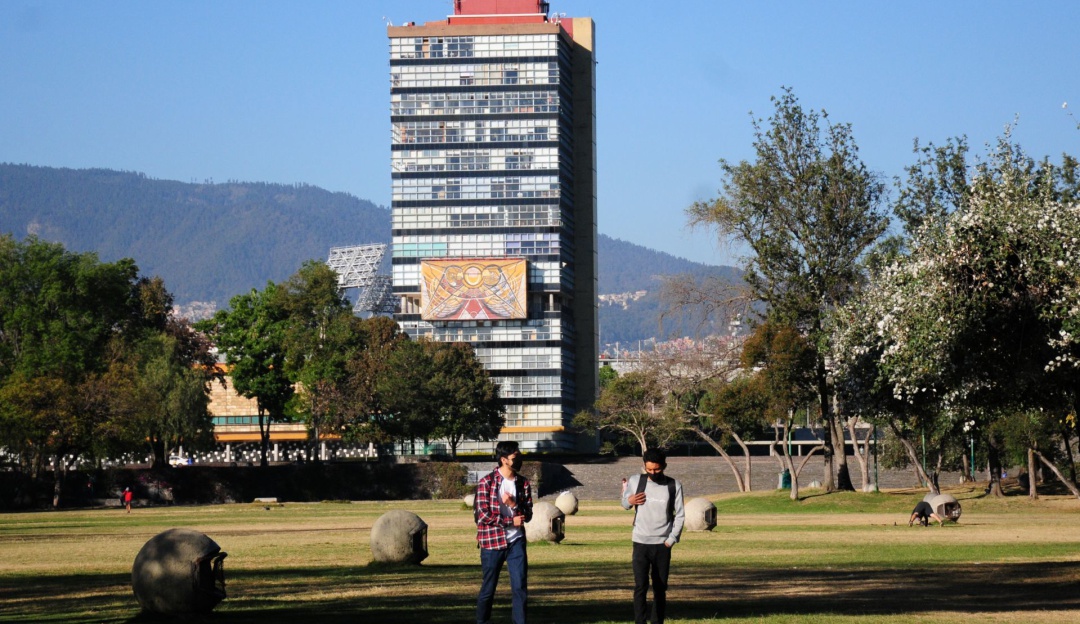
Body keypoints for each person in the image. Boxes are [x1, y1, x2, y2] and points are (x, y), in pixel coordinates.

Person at [621, 448, 685, 624]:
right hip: (640, 542)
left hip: (662, 545)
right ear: (644, 466)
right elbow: (624, 503)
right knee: (640, 586)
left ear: (664, 466)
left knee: (660, 588)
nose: (653, 473)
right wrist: (630, 501)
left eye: (657, 469)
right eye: (649, 469)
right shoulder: (636, 481)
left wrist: (671, 539)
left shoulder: (674, 486)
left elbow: (680, 515)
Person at [475, 440, 533, 624]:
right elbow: (482, 515)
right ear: (504, 460)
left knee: (519, 587)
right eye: (515, 457)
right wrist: (510, 521)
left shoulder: (523, 484)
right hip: (492, 543)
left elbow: (529, 514)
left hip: (516, 541)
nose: (519, 460)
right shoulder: (487, 482)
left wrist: (513, 505)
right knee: (489, 588)